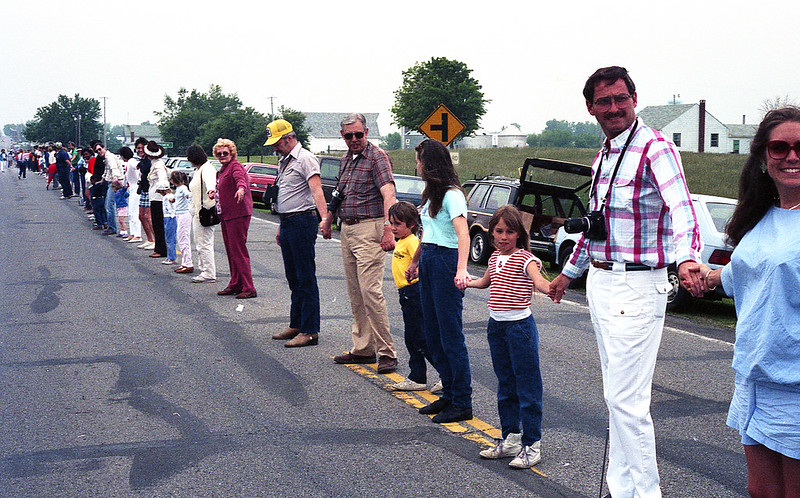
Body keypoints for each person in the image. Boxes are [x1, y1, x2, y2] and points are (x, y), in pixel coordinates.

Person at [548, 66, 704, 498]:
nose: (614, 107)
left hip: (637, 286)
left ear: (634, 98)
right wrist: (568, 274)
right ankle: (621, 490)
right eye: (604, 101)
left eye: (621, 98)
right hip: (601, 284)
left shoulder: (655, 148)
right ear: (590, 107)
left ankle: (647, 493)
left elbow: (681, 209)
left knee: (628, 404)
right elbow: (596, 226)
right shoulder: (605, 154)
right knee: (616, 401)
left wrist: (687, 257)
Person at [690, 107, 800, 497]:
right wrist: (704, 273)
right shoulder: (760, 217)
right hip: (754, 378)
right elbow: (743, 274)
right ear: (762, 156)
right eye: (779, 147)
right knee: (761, 491)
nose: (791, 156)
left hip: (795, 385)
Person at [466, 206, 552, 469]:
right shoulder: (494, 258)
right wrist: (466, 281)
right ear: (491, 233)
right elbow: (485, 282)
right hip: (497, 328)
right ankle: (511, 438)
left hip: (519, 329)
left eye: (510, 232)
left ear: (519, 234)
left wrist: (553, 288)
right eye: (498, 231)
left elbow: (538, 281)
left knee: (527, 386)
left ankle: (532, 445)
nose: (503, 237)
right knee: (505, 384)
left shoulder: (526, 259)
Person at [321, 112, 398, 373]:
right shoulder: (347, 160)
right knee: (356, 293)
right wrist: (328, 218)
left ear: (366, 132)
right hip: (349, 229)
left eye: (358, 134)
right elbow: (339, 193)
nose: (354, 139)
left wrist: (389, 228)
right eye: (348, 135)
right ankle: (364, 349)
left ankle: (387, 352)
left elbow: (389, 193)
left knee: (370, 291)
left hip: (371, 228)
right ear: (342, 137)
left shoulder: (377, 157)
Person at [405, 138, 473, 424]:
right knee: (432, 333)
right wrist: (416, 259)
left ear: (430, 163)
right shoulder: (430, 195)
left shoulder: (451, 195)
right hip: (431, 257)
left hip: (446, 261)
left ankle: (462, 401)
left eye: (419, 160)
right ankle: (448, 390)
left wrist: (461, 269)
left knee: (450, 335)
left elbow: (463, 235)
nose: (417, 165)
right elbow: (427, 233)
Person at [266, 119, 329, 348]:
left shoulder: (305, 159)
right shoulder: (285, 161)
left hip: (303, 221)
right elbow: (286, 195)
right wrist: (282, 225)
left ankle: (310, 330)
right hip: (288, 222)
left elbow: (316, 190)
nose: (274, 148)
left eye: (277, 143)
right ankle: (297, 323)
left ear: (289, 138)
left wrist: (325, 219)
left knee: (305, 277)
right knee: (293, 277)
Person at [387, 201, 433, 391]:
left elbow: (421, 263)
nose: (393, 228)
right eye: (391, 223)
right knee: (413, 336)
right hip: (405, 294)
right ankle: (418, 376)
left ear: (411, 225)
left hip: (413, 292)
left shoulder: (412, 242)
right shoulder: (402, 241)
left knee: (417, 337)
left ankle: (442, 374)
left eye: (398, 224)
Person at [211, 138, 257, 299]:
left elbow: (241, 180)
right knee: (231, 250)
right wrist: (214, 192)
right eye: (219, 153)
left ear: (232, 153)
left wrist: (241, 189)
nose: (222, 155)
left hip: (238, 214)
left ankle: (249, 287)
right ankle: (235, 283)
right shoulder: (224, 168)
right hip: (226, 214)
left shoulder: (235, 166)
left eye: (225, 153)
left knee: (238, 249)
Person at [187, 144, 216, 283]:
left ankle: (208, 272)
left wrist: (211, 190)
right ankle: (204, 269)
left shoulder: (207, 169)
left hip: (205, 212)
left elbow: (211, 183)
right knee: (200, 242)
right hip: (197, 211)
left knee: (204, 243)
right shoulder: (198, 170)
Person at [92, 141, 123, 236]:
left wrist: (115, 180)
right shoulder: (106, 158)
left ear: (104, 148)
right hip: (109, 181)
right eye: (97, 151)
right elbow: (107, 171)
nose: (99, 152)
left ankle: (112, 228)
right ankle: (111, 226)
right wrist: (103, 179)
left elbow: (114, 169)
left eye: (100, 149)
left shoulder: (109, 157)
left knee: (109, 205)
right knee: (108, 205)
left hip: (114, 182)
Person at [145, 141, 169, 257]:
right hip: (154, 197)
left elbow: (163, 180)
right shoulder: (154, 163)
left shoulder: (158, 165)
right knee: (156, 223)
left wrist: (161, 189)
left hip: (158, 198)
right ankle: (159, 248)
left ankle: (161, 249)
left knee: (158, 224)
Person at [169, 170, 194, 274]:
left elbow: (188, 195)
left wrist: (188, 199)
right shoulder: (178, 189)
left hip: (184, 214)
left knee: (183, 238)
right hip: (179, 214)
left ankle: (188, 263)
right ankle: (185, 262)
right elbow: (177, 198)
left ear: (174, 180)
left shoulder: (183, 188)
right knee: (181, 238)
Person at [135, 138, 156, 250]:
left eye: (142, 148)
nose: (140, 150)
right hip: (143, 189)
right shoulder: (142, 160)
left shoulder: (149, 160)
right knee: (141, 216)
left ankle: (156, 241)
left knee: (148, 217)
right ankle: (149, 239)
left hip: (149, 189)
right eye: (138, 148)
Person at [119, 146, 142, 243]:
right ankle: (132, 233)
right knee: (131, 213)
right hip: (131, 188)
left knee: (134, 212)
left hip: (136, 188)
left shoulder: (132, 163)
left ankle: (138, 235)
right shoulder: (129, 163)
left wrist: (139, 181)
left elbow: (138, 171)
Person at [157, 181, 178, 266]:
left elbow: (171, 200)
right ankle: (170, 256)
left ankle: (172, 257)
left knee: (170, 238)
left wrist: (172, 200)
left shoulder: (168, 196)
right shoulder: (166, 196)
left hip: (170, 217)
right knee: (168, 238)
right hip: (167, 217)